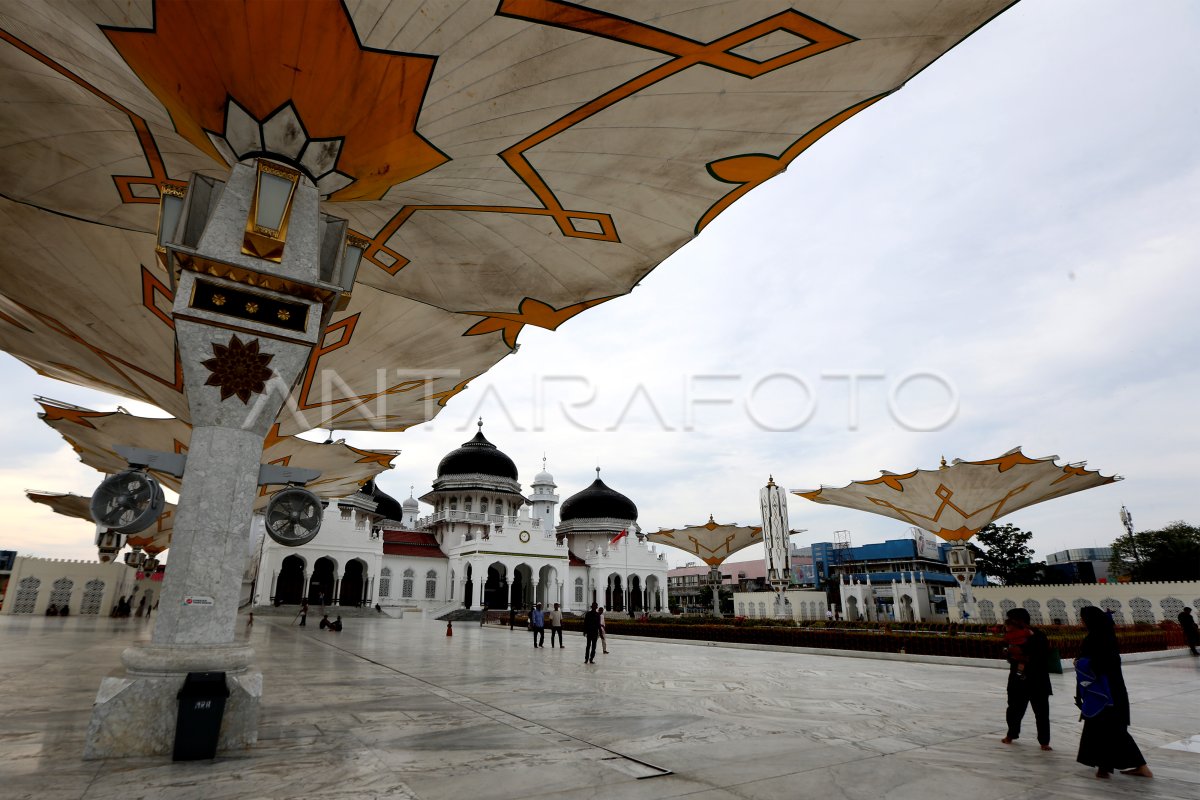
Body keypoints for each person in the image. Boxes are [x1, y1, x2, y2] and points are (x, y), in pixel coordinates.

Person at [1075, 605, 1152, 779]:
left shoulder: (1096, 638)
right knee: (1104, 728)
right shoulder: (1105, 635)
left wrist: (1079, 663)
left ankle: (1137, 767)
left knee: (1111, 729)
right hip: (1111, 689)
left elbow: (1100, 664)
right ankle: (1104, 768)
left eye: (1083, 618)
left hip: (1105, 692)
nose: (1081, 621)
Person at [1000, 608, 1052, 750]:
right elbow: (1005, 649)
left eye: (1012, 620)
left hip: (1037, 679)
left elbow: (1042, 655)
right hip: (1017, 678)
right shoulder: (1010, 634)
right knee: (1013, 709)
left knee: (1041, 712)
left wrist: (1024, 655)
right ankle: (1011, 734)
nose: (1009, 623)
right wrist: (1010, 653)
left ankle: (1044, 741)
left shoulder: (1038, 636)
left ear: (1021, 621)